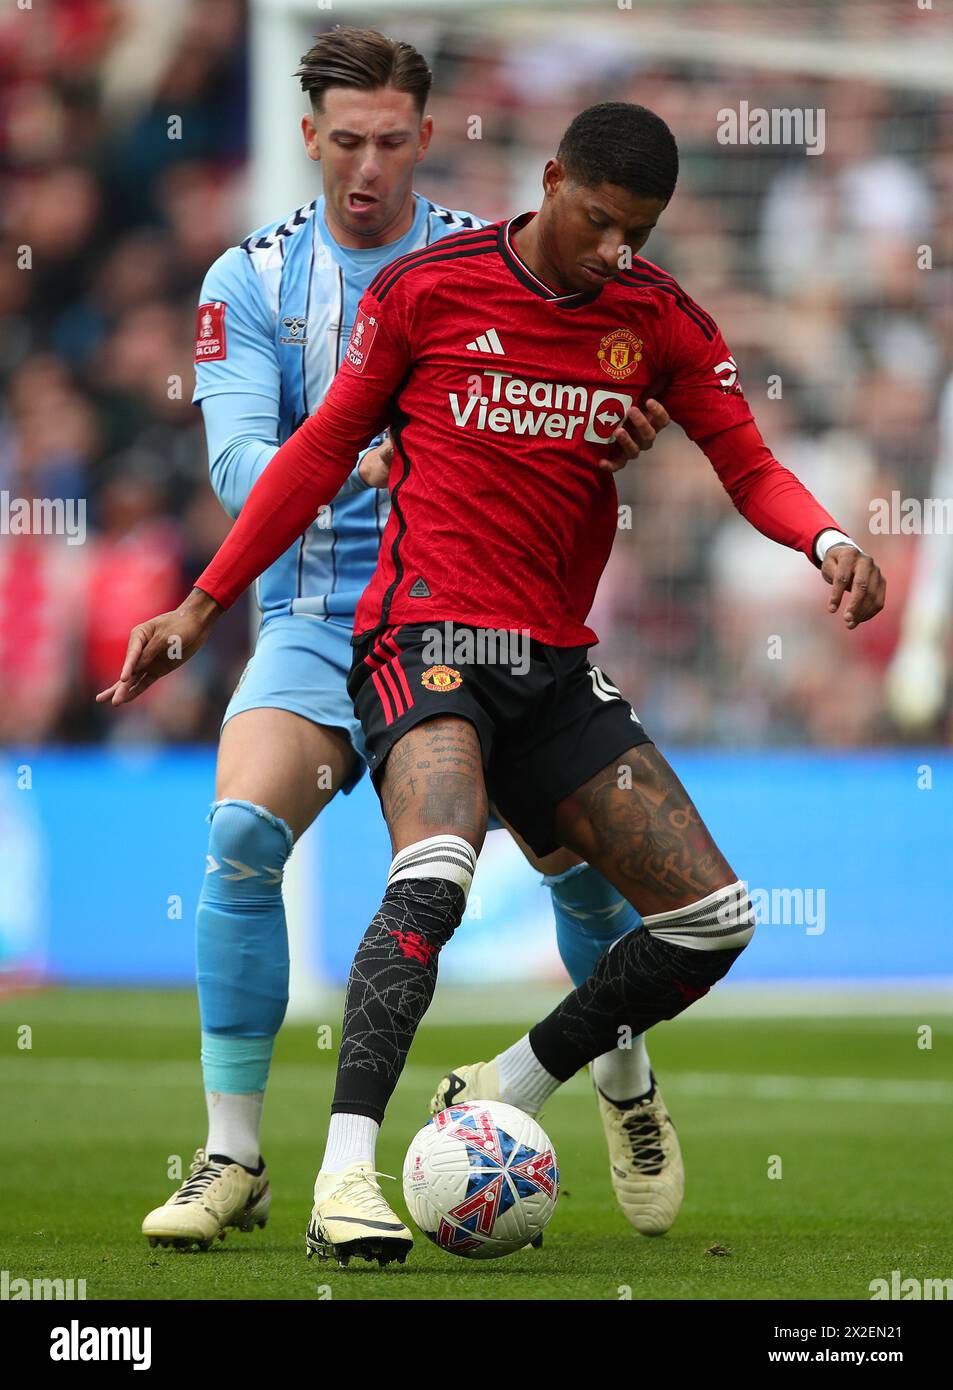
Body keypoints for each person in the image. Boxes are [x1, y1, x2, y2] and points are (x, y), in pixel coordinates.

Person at [100, 100, 885, 1269]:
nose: (620, 252)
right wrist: (204, 602)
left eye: (642, 233)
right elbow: (317, 453)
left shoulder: (657, 321)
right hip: (418, 635)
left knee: (712, 919)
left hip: (553, 661)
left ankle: (514, 1080)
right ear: (552, 178)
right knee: (434, 869)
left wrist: (824, 542)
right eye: (604, 224)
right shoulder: (430, 290)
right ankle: (343, 1177)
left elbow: (747, 461)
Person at [123, 30, 676, 1255]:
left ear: (424, 139)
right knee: (239, 835)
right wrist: (348, 461)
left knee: (580, 869)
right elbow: (234, 463)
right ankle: (234, 1156)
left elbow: (594, 397)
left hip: (473, 616)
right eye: (345, 139)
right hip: (322, 622)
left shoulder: (496, 266)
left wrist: (607, 436)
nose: (366, 164)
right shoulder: (248, 281)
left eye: (391, 140)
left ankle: (623, 1083)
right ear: (308, 134)